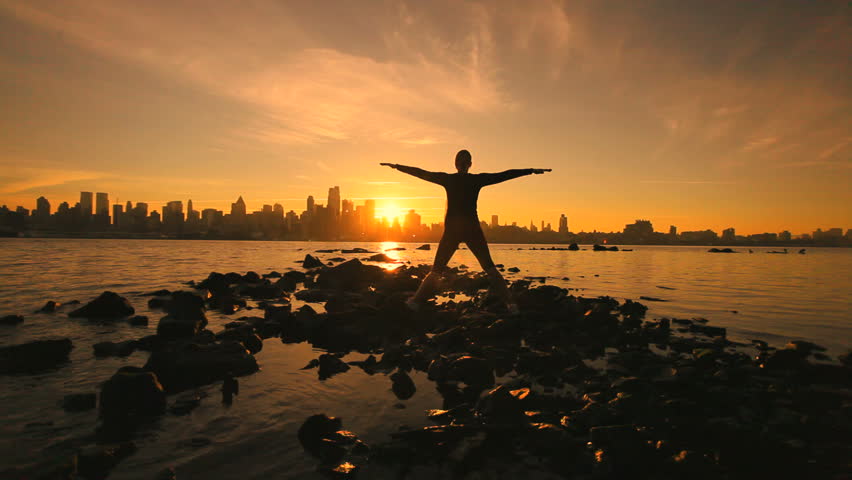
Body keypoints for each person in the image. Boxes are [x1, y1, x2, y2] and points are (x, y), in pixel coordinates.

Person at [380, 149, 551, 310]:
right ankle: (510, 305)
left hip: (453, 230)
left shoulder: (448, 179)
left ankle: (415, 302)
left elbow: (422, 173)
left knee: (437, 270)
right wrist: (531, 170)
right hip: (471, 229)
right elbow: (504, 175)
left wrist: (397, 167)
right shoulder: (475, 180)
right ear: (470, 164)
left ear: (457, 163)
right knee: (489, 268)